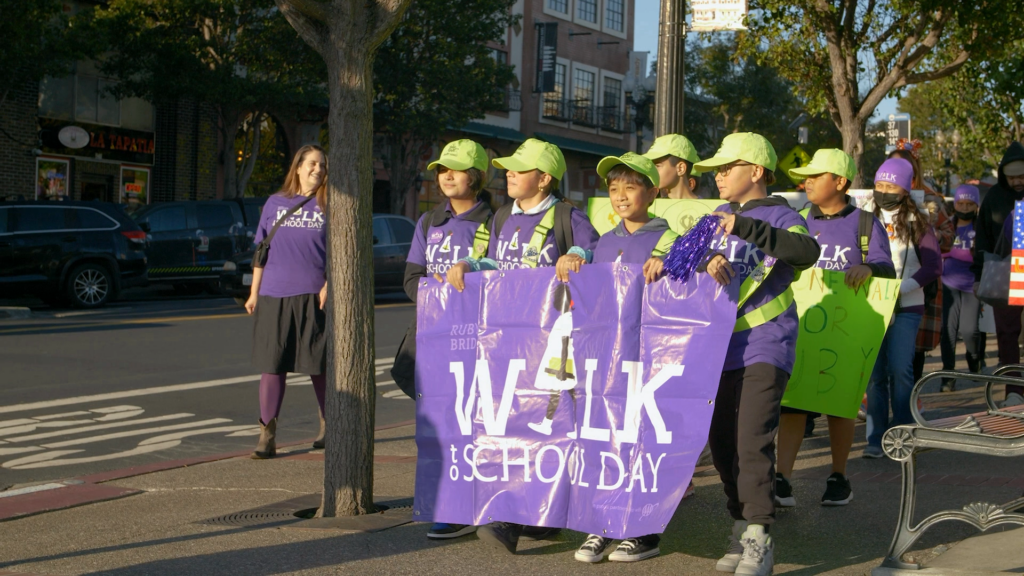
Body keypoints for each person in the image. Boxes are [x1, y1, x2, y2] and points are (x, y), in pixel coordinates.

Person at [444, 138, 599, 554]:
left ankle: (520, 517)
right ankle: (529, 517)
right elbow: (497, 263)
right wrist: (470, 266)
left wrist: (576, 256)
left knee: (547, 429)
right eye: (508, 168)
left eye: (519, 168)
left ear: (544, 179)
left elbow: (593, 251)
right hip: (510, 341)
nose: (509, 173)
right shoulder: (502, 217)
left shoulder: (567, 216)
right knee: (511, 426)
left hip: (555, 345)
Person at [694, 133, 821, 576]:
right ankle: (740, 525)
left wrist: (744, 227)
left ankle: (759, 535)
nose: (719, 176)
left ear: (756, 171)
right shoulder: (714, 216)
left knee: (752, 440)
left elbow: (806, 252)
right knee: (723, 443)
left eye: (727, 167)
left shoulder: (784, 214)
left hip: (767, 342)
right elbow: (683, 267)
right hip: (717, 346)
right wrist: (705, 259)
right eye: (716, 170)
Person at [554, 152, 676, 563]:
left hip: (649, 359)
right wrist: (574, 257)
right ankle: (601, 523)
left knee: (641, 441)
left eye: (631, 187)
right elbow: (584, 277)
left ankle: (642, 529)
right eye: (613, 188)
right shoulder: (603, 242)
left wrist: (672, 263)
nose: (620, 196)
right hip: (604, 361)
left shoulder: (668, 238)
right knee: (603, 439)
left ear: (653, 192)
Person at [774, 149, 894, 509]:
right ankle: (782, 479)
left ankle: (839, 476)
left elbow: (886, 266)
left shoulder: (865, 223)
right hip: (800, 326)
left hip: (844, 332)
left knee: (839, 405)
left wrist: (870, 268)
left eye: (816, 176)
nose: (807, 182)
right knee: (792, 403)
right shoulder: (797, 221)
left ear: (840, 182)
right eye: (806, 177)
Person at [394, 139, 493, 540]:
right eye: (441, 170)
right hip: (433, 340)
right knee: (438, 428)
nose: (446, 176)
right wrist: (434, 291)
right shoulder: (428, 221)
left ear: (477, 176)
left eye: (456, 169)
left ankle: (471, 506)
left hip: (477, 341)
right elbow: (411, 278)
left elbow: (502, 277)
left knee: (474, 426)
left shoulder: (495, 222)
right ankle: (448, 506)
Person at [246, 144, 329, 459]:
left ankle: (329, 426)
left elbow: (340, 251)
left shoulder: (330, 204)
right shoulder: (275, 202)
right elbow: (261, 250)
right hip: (273, 293)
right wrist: (254, 292)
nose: (318, 169)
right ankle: (266, 436)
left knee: (318, 365)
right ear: (298, 167)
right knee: (272, 365)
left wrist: (329, 284)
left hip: (313, 295)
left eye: (322, 165)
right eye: (312, 163)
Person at [864, 157, 942, 459]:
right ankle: (875, 437)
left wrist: (904, 287)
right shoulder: (864, 217)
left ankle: (901, 431)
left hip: (907, 306)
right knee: (875, 374)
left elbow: (933, 266)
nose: (884, 191)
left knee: (900, 369)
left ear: (905, 190)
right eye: (879, 185)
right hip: (872, 306)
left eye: (891, 186)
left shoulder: (917, 222)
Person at [889, 144, 953, 382]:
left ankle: (911, 395)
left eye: (904, 165)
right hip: (887, 279)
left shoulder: (929, 198)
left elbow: (950, 236)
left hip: (920, 280)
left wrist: (931, 235)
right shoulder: (878, 198)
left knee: (915, 344)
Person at [972, 142, 1024, 406]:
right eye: (1011, 177)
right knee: (1006, 333)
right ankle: (1013, 391)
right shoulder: (993, 196)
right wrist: (977, 276)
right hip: (1005, 271)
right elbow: (982, 238)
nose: (1017, 181)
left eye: (1021, 176)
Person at [940, 185, 983, 392]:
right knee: (948, 330)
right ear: (955, 204)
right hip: (949, 282)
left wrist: (955, 253)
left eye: (969, 204)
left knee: (969, 330)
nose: (964, 208)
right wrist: (950, 253)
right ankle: (948, 375)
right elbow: (938, 248)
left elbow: (980, 254)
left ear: (976, 205)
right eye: (960, 203)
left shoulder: (981, 227)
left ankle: (974, 358)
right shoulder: (948, 225)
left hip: (972, 285)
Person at [643, 134, 704, 199]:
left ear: (681, 168)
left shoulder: (707, 206)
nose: (651, 171)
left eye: (657, 166)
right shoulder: (650, 205)